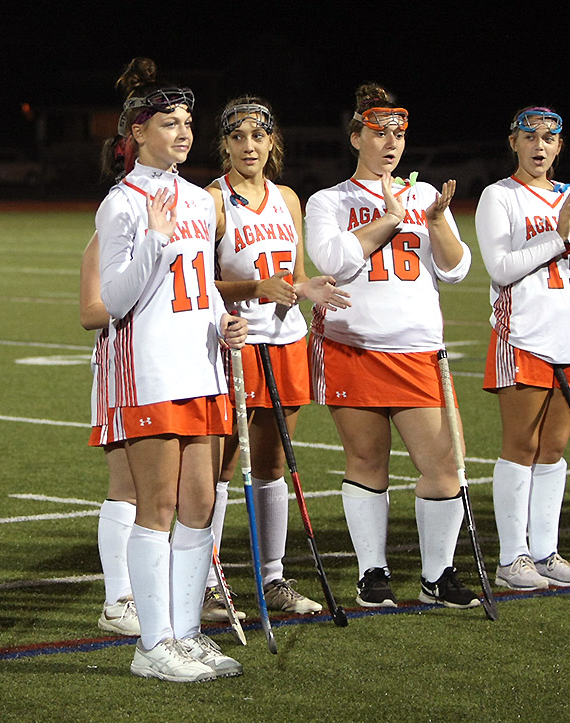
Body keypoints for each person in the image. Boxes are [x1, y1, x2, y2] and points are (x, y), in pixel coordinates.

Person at [96, 58, 248, 682]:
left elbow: (203, 284)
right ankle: (150, 644)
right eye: (168, 123)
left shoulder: (199, 199)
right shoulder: (122, 203)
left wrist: (225, 320)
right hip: (150, 368)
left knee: (199, 503)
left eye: (187, 122)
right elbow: (114, 297)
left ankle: (186, 633)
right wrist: (154, 242)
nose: (183, 132)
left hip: (202, 364)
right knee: (155, 507)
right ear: (137, 133)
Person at [305, 83, 480, 610]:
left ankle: (438, 574)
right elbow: (332, 260)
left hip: (417, 350)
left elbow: (456, 267)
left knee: (443, 465)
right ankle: (371, 572)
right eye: (379, 133)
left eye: (398, 135)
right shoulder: (329, 200)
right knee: (366, 460)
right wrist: (388, 219)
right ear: (356, 136)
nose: (390, 144)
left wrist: (431, 222)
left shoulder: (424, 195)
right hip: (352, 347)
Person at [203, 97, 349, 620]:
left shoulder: (287, 197)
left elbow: (297, 270)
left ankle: (273, 580)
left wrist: (309, 288)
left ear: (271, 142)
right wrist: (255, 288)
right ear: (225, 144)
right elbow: (198, 282)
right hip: (237, 346)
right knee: (220, 467)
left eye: (257, 137)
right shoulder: (213, 201)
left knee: (271, 465)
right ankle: (206, 581)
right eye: (238, 137)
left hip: (285, 345)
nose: (249, 147)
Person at [476, 107, 570, 590]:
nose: (540, 145)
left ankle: (546, 552)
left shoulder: (569, 194)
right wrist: (555, 235)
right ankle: (513, 559)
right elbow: (501, 268)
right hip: (523, 335)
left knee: (552, 450)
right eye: (530, 137)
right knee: (521, 446)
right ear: (514, 142)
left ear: (560, 146)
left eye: (549, 138)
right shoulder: (499, 196)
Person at [81, 232, 140, 637]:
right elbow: (90, 313)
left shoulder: (187, 218)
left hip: (173, 366)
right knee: (128, 485)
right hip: (123, 366)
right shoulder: (107, 236)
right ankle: (118, 601)